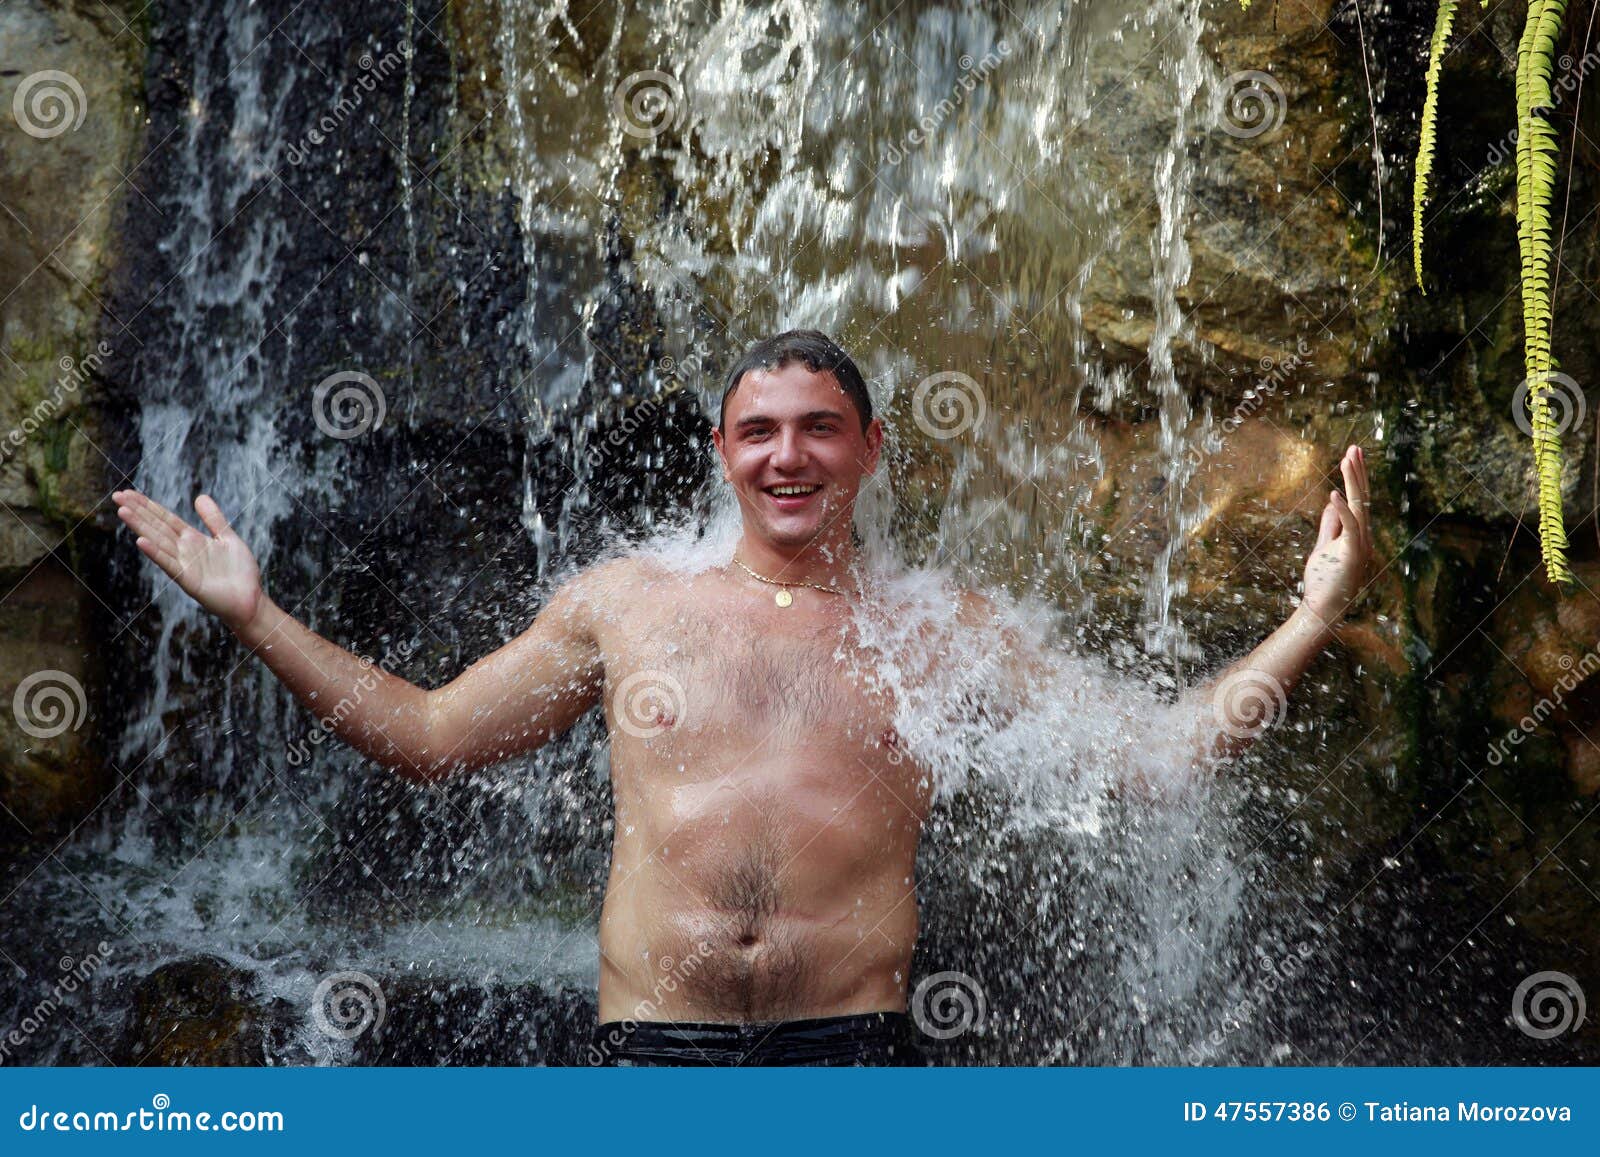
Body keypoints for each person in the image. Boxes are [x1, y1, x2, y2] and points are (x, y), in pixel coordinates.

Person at [111, 329, 1374, 1065]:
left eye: (820, 427)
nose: (789, 454)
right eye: (760, 430)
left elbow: (1154, 756)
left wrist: (1310, 616)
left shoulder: (941, 627)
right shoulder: (625, 602)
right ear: (722, 453)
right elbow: (435, 734)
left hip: (852, 1047)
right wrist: (255, 615)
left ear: (870, 449)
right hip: (652, 1046)